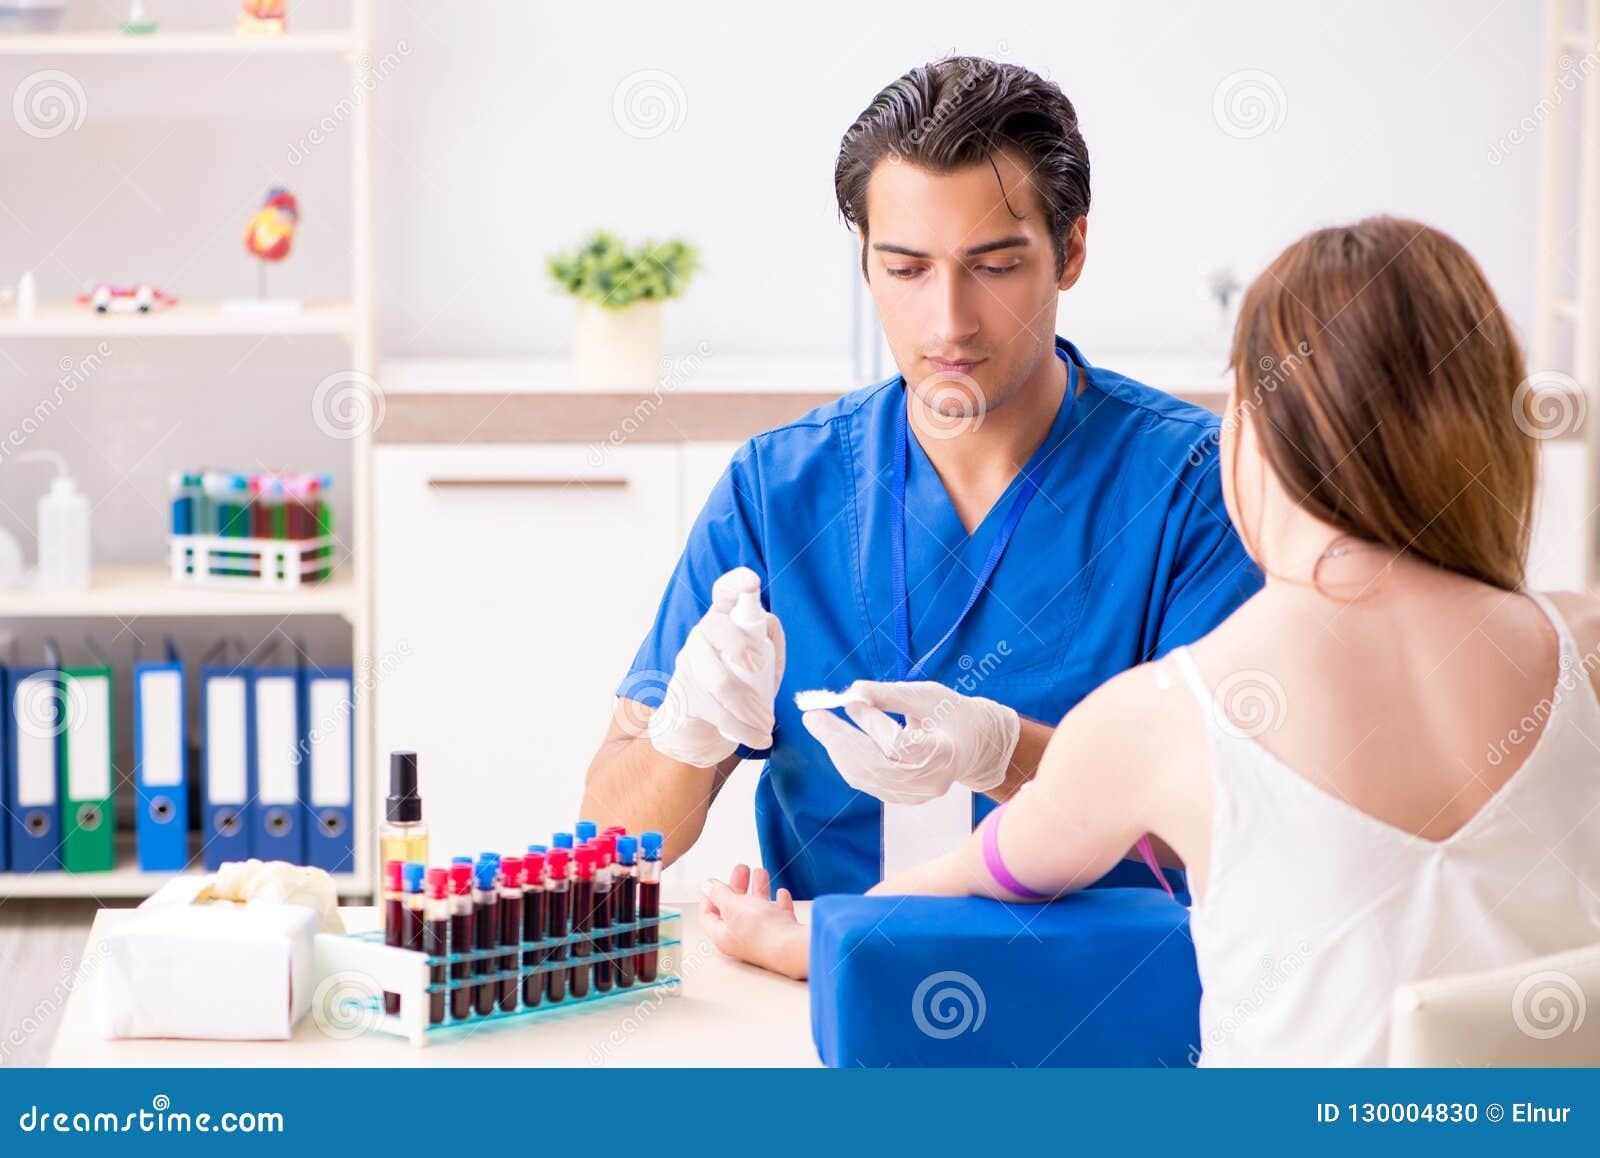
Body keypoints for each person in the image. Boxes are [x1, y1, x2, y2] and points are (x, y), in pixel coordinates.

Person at [699, 216, 1600, 1066]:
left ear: (1252, 424)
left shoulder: (1167, 714)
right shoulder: (1586, 647)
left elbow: (969, 882)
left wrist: (801, 935)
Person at [581, 57, 1260, 897]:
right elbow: (617, 845)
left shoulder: (1194, 485)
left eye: (996, 266)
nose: (949, 321)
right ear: (865, 260)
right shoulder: (777, 491)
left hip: (1103, 999)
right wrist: (682, 740)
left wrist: (1003, 752)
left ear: (1071, 250)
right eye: (907, 270)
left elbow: (1233, 819)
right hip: (829, 989)